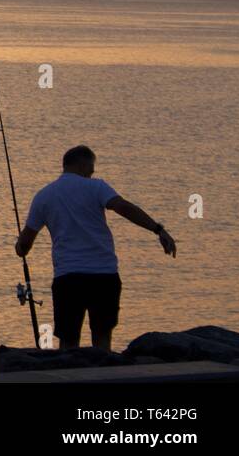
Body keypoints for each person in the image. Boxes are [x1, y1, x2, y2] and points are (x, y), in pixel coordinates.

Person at [14, 144, 176, 350]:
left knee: (69, 340)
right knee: (102, 337)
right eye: (90, 169)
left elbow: (25, 243)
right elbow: (124, 207)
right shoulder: (97, 187)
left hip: (68, 278)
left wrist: (19, 249)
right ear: (82, 164)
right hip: (104, 275)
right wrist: (158, 229)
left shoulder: (44, 196)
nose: (91, 174)